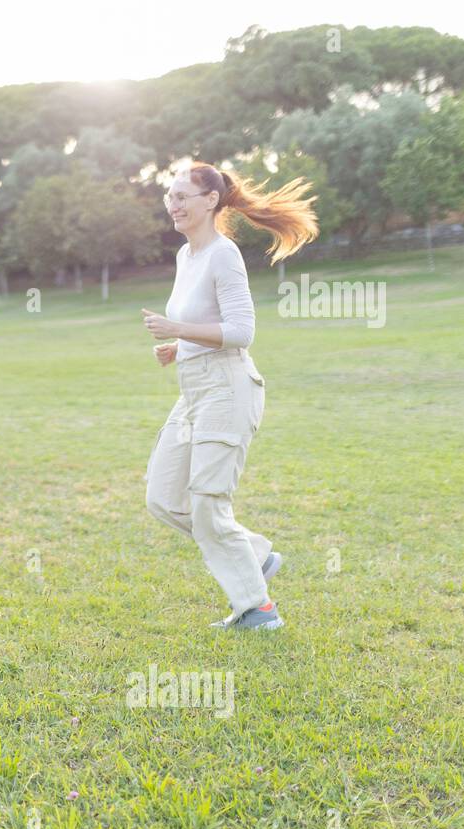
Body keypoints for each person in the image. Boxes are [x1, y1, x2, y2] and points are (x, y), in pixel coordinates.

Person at [141, 162, 317, 630]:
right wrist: (179, 346)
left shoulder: (224, 254)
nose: (172, 205)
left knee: (207, 502)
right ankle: (253, 554)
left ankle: (256, 609)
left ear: (210, 201)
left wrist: (178, 328)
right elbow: (207, 319)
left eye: (182, 196)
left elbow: (242, 331)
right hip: (193, 389)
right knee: (162, 497)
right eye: (169, 197)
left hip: (228, 387)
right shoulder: (186, 256)